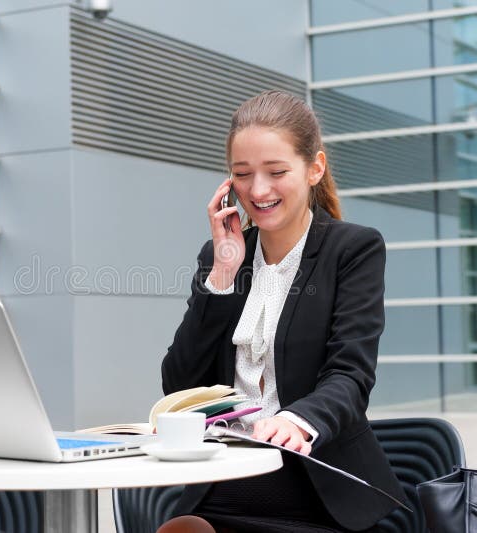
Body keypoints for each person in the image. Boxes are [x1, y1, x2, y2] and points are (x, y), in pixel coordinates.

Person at [157, 90, 406, 533]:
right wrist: (223, 275)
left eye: (276, 172)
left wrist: (296, 420)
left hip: (314, 486)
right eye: (242, 174)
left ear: (315, 168)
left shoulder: (352, 249)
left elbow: (351, 374)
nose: (258, 190)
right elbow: (181, 386)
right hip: (223, 478)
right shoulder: (221, 256)